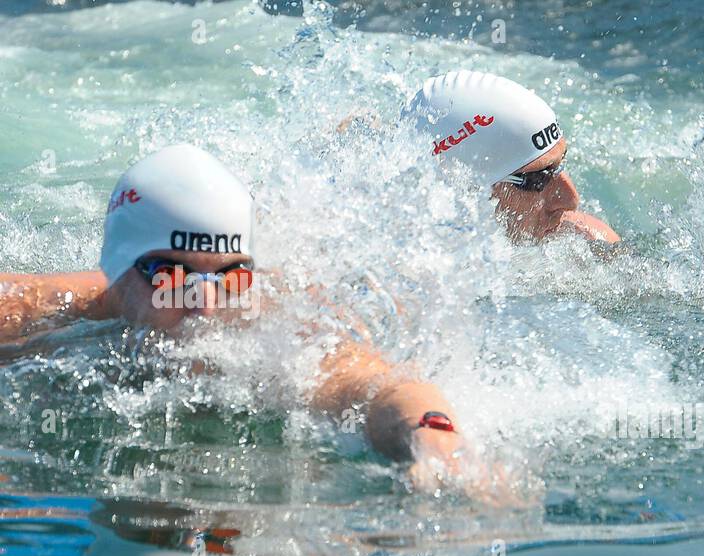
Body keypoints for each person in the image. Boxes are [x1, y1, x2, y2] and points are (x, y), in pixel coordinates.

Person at [0, 144, 470, 489]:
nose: (205, 305)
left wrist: (433, 439)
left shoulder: (274, 331)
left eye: (230, 277)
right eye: (170, 276)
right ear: (119, 268)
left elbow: (383, 388)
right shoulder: (35, 313)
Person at [402, 70, 619, 245]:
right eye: (537, 180)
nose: (571, 199)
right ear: (466, 191)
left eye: (559, 165)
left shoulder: (588, 244)